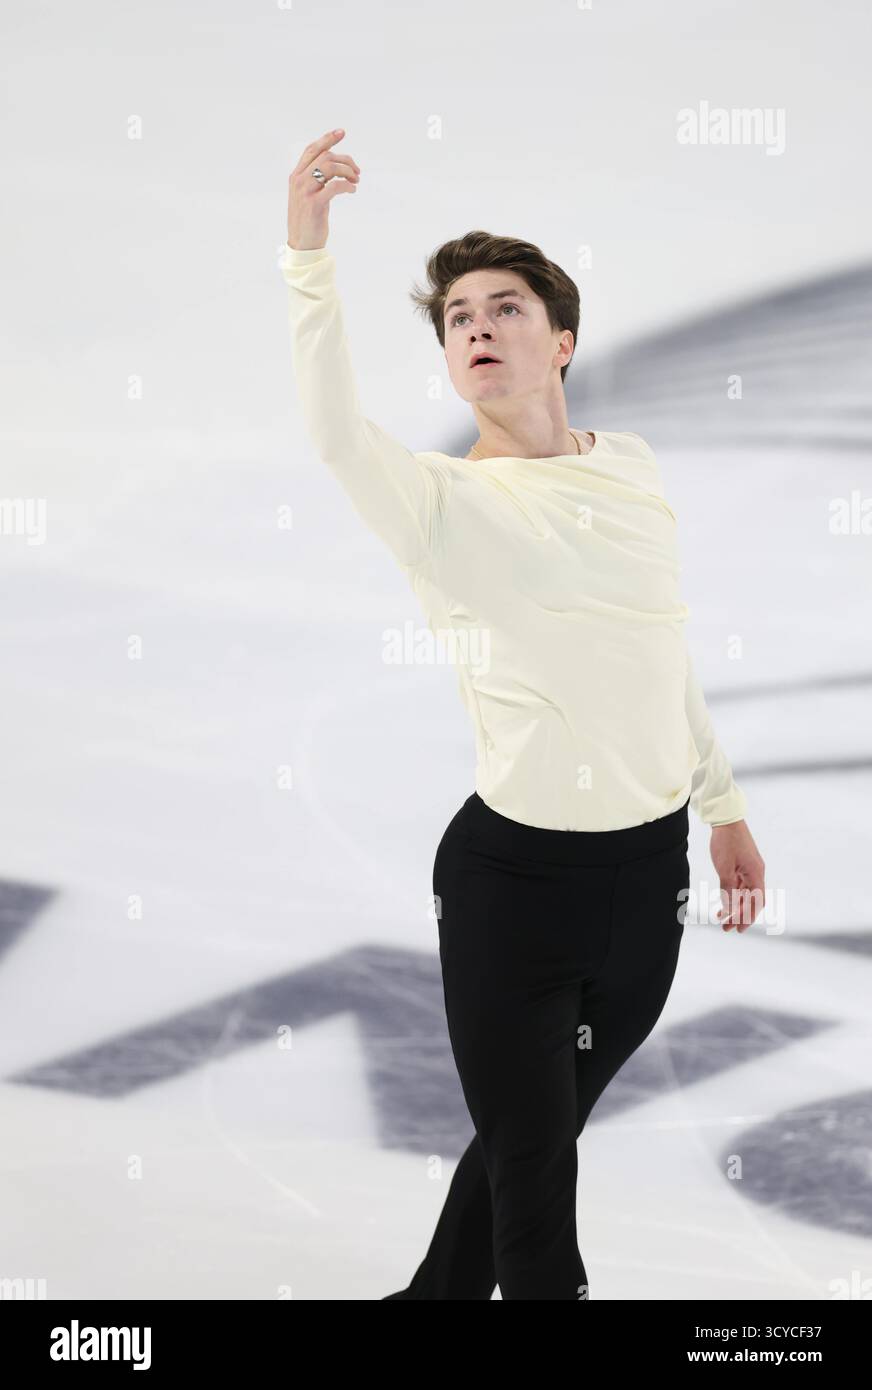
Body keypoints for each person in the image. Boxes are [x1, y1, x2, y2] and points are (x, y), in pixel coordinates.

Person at [281, 128, 766, 1300]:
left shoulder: (630, 464)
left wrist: (724, 808)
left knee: (526, 1140)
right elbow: (337, 434)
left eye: (504, 307)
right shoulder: (440, 505)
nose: (479, 326)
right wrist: (307, 253)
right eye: (457, 318)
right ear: (450, 361)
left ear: (561, 340)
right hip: (513, 889)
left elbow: (659, 654)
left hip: (645, 887)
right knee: (538, 1171)